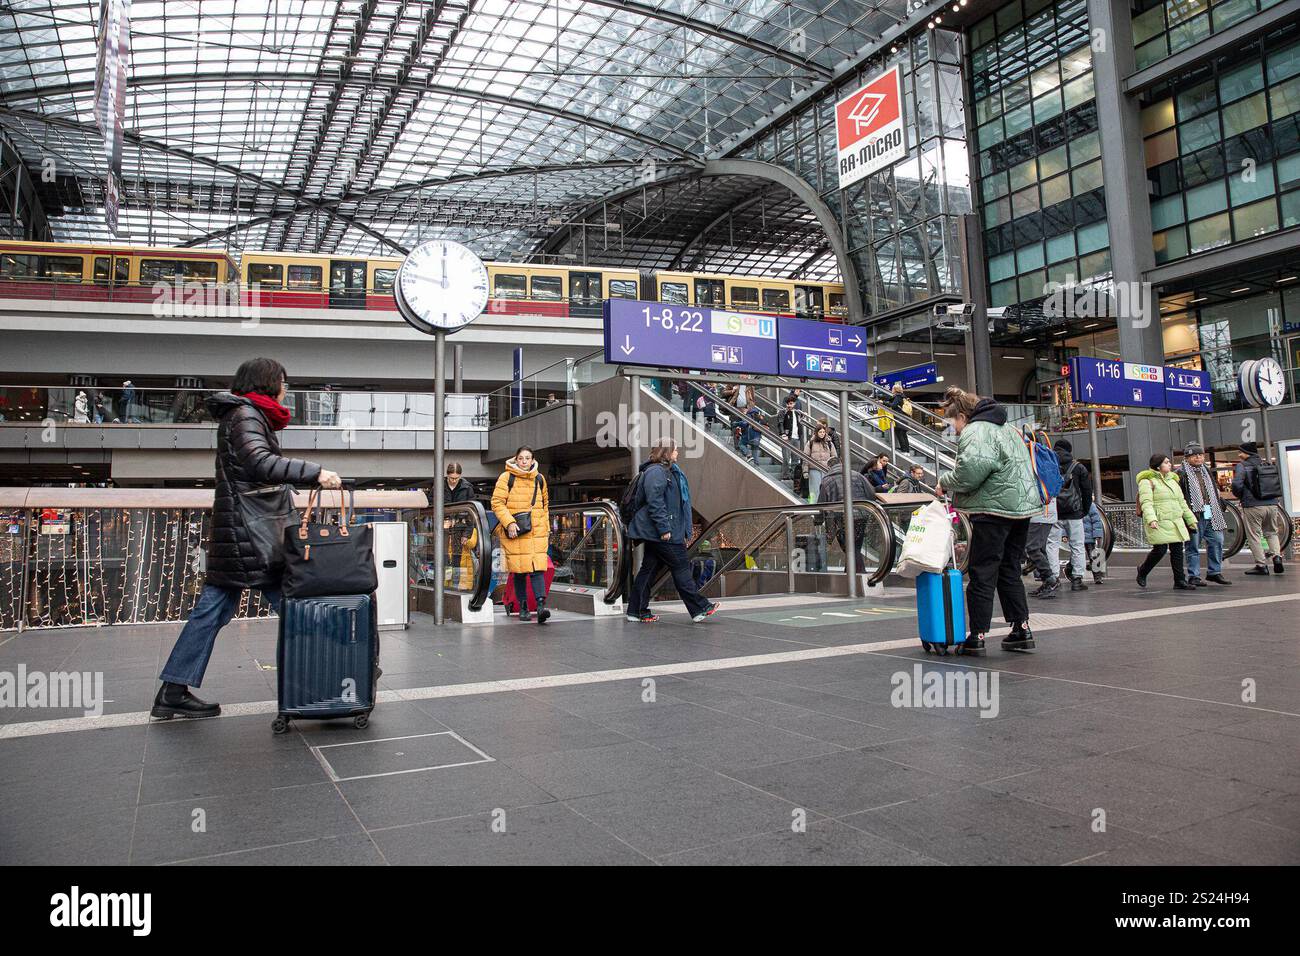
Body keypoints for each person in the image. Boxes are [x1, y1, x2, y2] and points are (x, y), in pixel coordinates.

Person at [153, 358, 342, 719]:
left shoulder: (242, 415)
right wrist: (314, 472)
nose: (286, 389)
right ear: (269, 382)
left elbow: (252, 470)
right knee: (296, 605)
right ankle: (339, 675)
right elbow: (259, 463)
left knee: (211, 612)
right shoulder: (245, 416)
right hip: (252, 537)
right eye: (283, 382)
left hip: (239, 535)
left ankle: (173, 690)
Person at [934, 386, 1040, 653]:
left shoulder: (976, 430)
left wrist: (944, 482)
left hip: (992, 511)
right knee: (1009, 568)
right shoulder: (1008, 429)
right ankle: (1021, 629)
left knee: (983, 571)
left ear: (961, 416)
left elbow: (969, 473)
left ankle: (977, 635)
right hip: (1021, 509)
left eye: (953, 424)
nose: (955, 430)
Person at [625, 436, 720, 624]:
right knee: (681, 567)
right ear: (667, 452)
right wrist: (664, 529)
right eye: (675, 449)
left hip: (662, 531)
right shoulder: (656, 472)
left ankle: (636, 610)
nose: (678, 452)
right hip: (662, 532)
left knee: (649, 569)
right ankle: (699, 607)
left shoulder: (667, 471)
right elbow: (655, 502)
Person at [491, 446, 552, 623]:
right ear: (516, 459)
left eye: (528, 458)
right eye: (521, 458)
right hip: (516, 530)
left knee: (538, 569)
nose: (524, 461)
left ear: (533, 460)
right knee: (519, 571)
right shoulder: (506, 477)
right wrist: (509, 522)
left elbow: (545, 504)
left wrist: (546, 527)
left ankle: (541, 606)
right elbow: (497, 503)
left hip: (537, 531)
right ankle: (523, 607)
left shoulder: (539, 479)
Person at [1136, 452, 1197, 590]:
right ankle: (1143, 571)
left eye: (1169, 462)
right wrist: (1151, 519)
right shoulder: (1147, 481)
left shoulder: (1173, 480)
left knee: (1177, 550)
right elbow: (1146, 502)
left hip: (1175, 519)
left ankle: (1180, 580)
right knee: (1160, 549)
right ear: (1157, 466)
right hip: (1159, 519)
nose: (1170, 464)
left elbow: (1181, 502)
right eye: (1166, 462)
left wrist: (1190, 519)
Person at [1179, 442, 1231, 587]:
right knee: (1193, 544)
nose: (1198, 457)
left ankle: (1214, 572)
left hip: (1209, 509)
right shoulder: (1181, 473)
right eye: (1194, 455)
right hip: (1193, 512)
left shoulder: (1205, 470)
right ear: (1187, 457)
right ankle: (1193, 575)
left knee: (1217, 540)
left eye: (1200, 455)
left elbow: (1213, 489)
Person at [814, 456, 876, 572]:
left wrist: (818, 520)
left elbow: (821, 503)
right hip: (861, 515)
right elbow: (871, 493)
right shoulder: (856, 475)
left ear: (829, 467)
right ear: (841, 463)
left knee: (850, 549)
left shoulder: (827, 480)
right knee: (855, 547)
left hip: (840, 518)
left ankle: (860, 575)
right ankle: (850, 574)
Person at [1232, 441, 1285, 576]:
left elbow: (1237, 485)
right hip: (1272, 504)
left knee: (1254, 535)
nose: (1239, 454)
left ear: (1246, 453)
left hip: (1253, 505)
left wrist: (1241, 497)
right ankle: (1277, 557)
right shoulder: (1266, 463)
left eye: (1241, 452)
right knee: (1271, 532)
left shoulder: (1242, 466)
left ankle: (1261, 565)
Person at [1047, 438, 1092, 593]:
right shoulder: (1078, 467)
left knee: (1052, 544)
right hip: (1074, 512)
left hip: (1054, 511)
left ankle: (1053, 578)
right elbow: (1087, 491)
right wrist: (1084, 510)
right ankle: (1077, 579)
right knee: (1077, 545)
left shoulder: (1049, 464)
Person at [443, 462, 475, 585]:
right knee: (444, 557)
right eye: (451, 478)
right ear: (447, 476)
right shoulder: (439, 486)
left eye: (456, 478)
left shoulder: (467, 488)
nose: (454, 481)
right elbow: (431, 505)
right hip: (444, 528)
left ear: (460, 476)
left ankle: (455, 585)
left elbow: (471, 512)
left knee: (457, 558)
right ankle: (445, 584)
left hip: (460, 528)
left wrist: (467, 534)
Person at [1026, 496, 1059, 599]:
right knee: (1039, 548)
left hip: (1041, 513)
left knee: (1032, 547)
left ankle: (1050, 579)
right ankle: (1047, 582)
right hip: (1043, 513)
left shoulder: (1042, 479)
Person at [803, 421, 836, 502]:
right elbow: (805, 458)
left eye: (823, 432)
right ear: (816, 433)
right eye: (820, 432)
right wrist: (805, 471)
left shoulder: (829, 443)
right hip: (814, 470)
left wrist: (834, 470)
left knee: (826, 490)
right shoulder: (810, 443)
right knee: (814, 491)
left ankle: (825, 508)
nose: (822, 433)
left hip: (826, 470)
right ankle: (813, 507)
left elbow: (834, 457)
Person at [778, 395, 802, 480]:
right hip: (787, 437)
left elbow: (799, 422)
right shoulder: (783, 412)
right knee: (786, 458)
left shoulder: (797, 412)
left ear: (794, 403)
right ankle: (785, 476)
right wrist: (782, 434)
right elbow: (780, 423)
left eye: (791, 403)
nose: (789, 405)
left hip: (796, 437)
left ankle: (794, 476)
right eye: (788, 403)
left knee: (796, 459)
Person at [888, 382, 911, 453]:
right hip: (904, 417)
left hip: (899, 417)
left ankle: (904, 450)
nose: (891, 390)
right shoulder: (903, 396)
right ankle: (907, 451)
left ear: (895, 390)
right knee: (904, 434)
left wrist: (883, 403)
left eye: (892, 389)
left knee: (900, 433)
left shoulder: (897, 396)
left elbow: (894, 405)